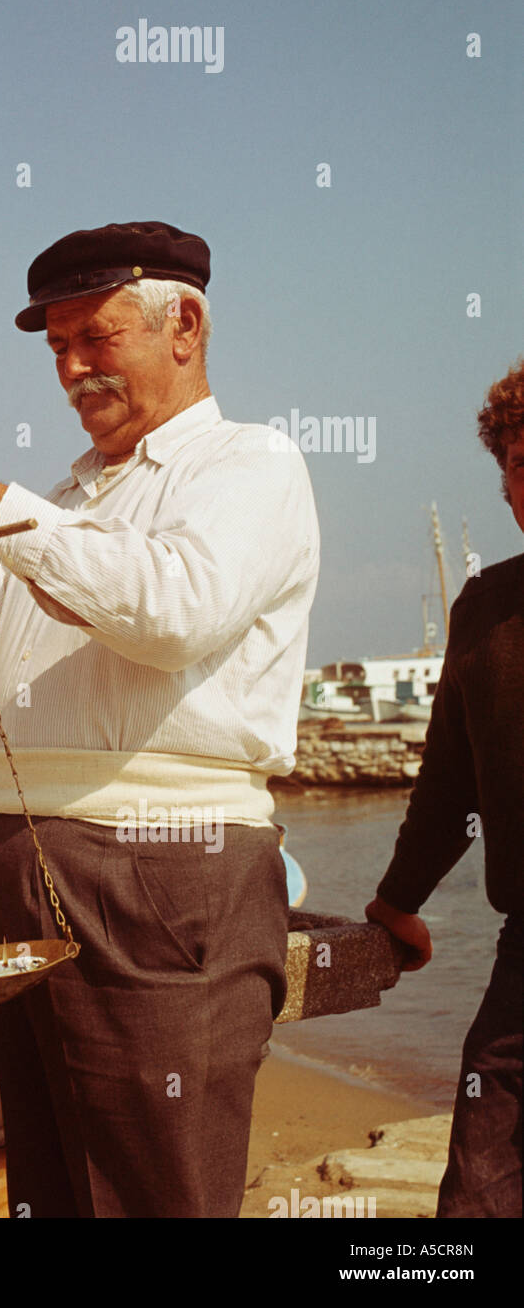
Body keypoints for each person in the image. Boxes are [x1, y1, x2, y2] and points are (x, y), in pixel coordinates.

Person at [0, 220, 320, 1217]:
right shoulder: (67, 494)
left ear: (182, 325)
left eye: (93, 338)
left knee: (153, 1192)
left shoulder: (250, 464)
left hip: (161, 871)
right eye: (56, 347)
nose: (69, 368)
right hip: (19, 864)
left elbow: (171, 610)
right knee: (52, 1189)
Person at [364, 358, 524, 1219]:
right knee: (476, 1190)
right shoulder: (483, 611)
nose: (518, 484)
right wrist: (395, 900)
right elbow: (448, 790)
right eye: (516, 464)